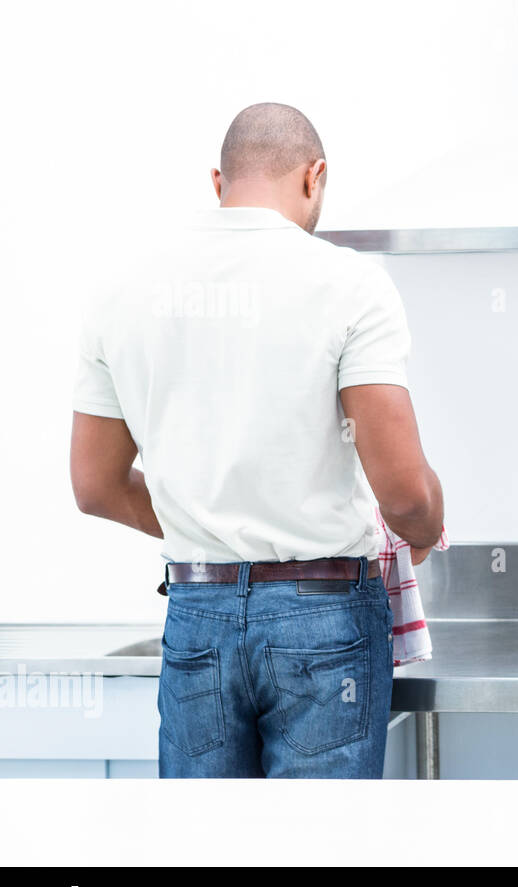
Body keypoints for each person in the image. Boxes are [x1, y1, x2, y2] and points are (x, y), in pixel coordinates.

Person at [70, 103, 444, 778]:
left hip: (196, 613)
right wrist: (424, 525)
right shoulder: (350, 284)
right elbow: (405, 492)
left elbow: (95, 486)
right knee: (317, 849)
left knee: (202, 849)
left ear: (220, 182)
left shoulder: (122, 291)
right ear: (315, 177)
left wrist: (209, 521)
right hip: (324, 616)